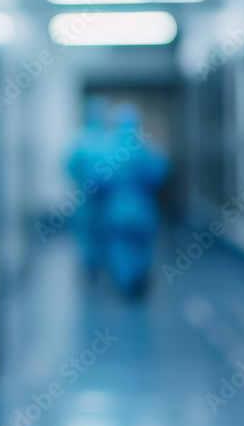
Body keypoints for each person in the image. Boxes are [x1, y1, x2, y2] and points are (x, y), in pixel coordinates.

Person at [102, 103, 168, 297]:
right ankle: (138, 281)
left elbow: (95, 179)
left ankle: (124, 283)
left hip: (116, 210)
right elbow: (161, 171)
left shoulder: (108, 150)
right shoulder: (144, 149)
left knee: (120, 247)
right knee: (141, 246)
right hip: (142, 210)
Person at [66, 96, 110, 276]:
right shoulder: (88, 139)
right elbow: (69, 166)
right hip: (87, 198)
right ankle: (91, 266)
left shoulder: (100, 139)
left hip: (100, 199)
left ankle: (96, 265)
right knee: (88, 233)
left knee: (99, 233)